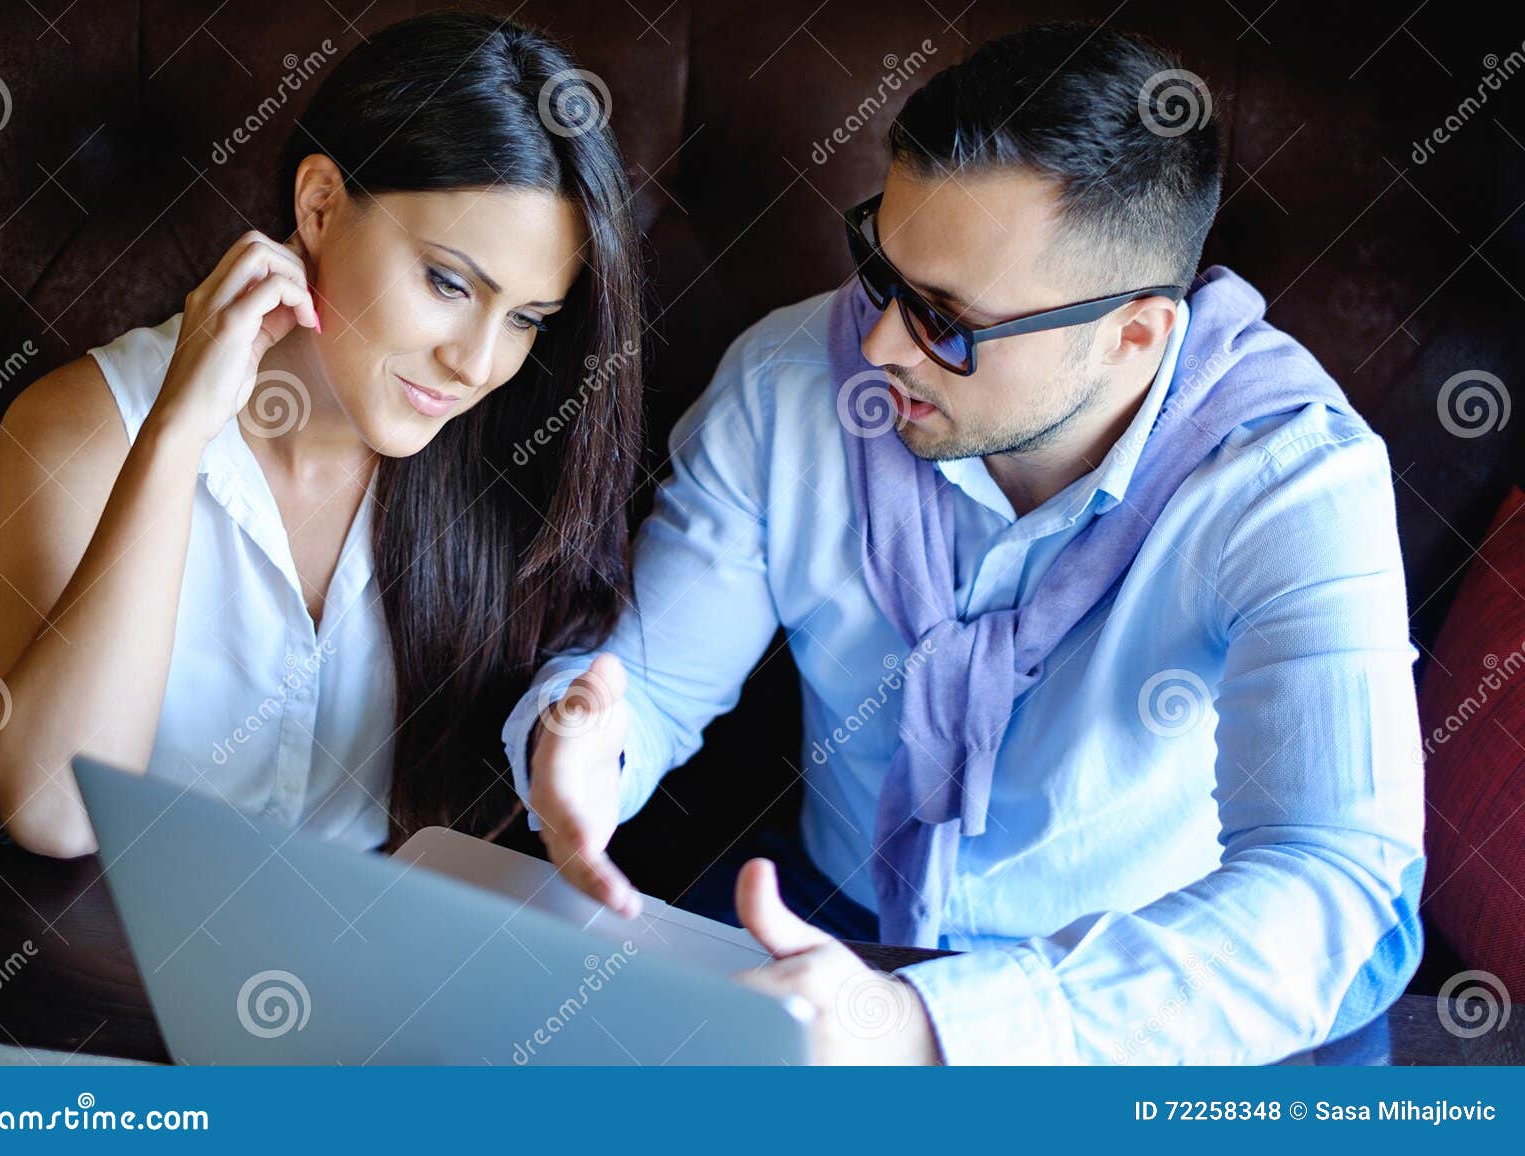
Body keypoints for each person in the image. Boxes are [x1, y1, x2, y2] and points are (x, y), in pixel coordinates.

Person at [508, 22, 1425, 1064]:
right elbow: (652, 690)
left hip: (1149, 998)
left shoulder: (1295, 480)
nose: (879, 343)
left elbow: (1334, 875)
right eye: (878, 266)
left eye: (947, 318)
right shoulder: (784, 386)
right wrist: (583, 753)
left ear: (1134, 335)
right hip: (829, 922)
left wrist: (938, 1027)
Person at [0, 11, 644, 861]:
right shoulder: (80, 425)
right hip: (120, 966)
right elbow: (56, 813)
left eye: (526, 320)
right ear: (321, 204)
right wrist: (177, 439)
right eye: (446, 281)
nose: (475, 363)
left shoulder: (515, 448)